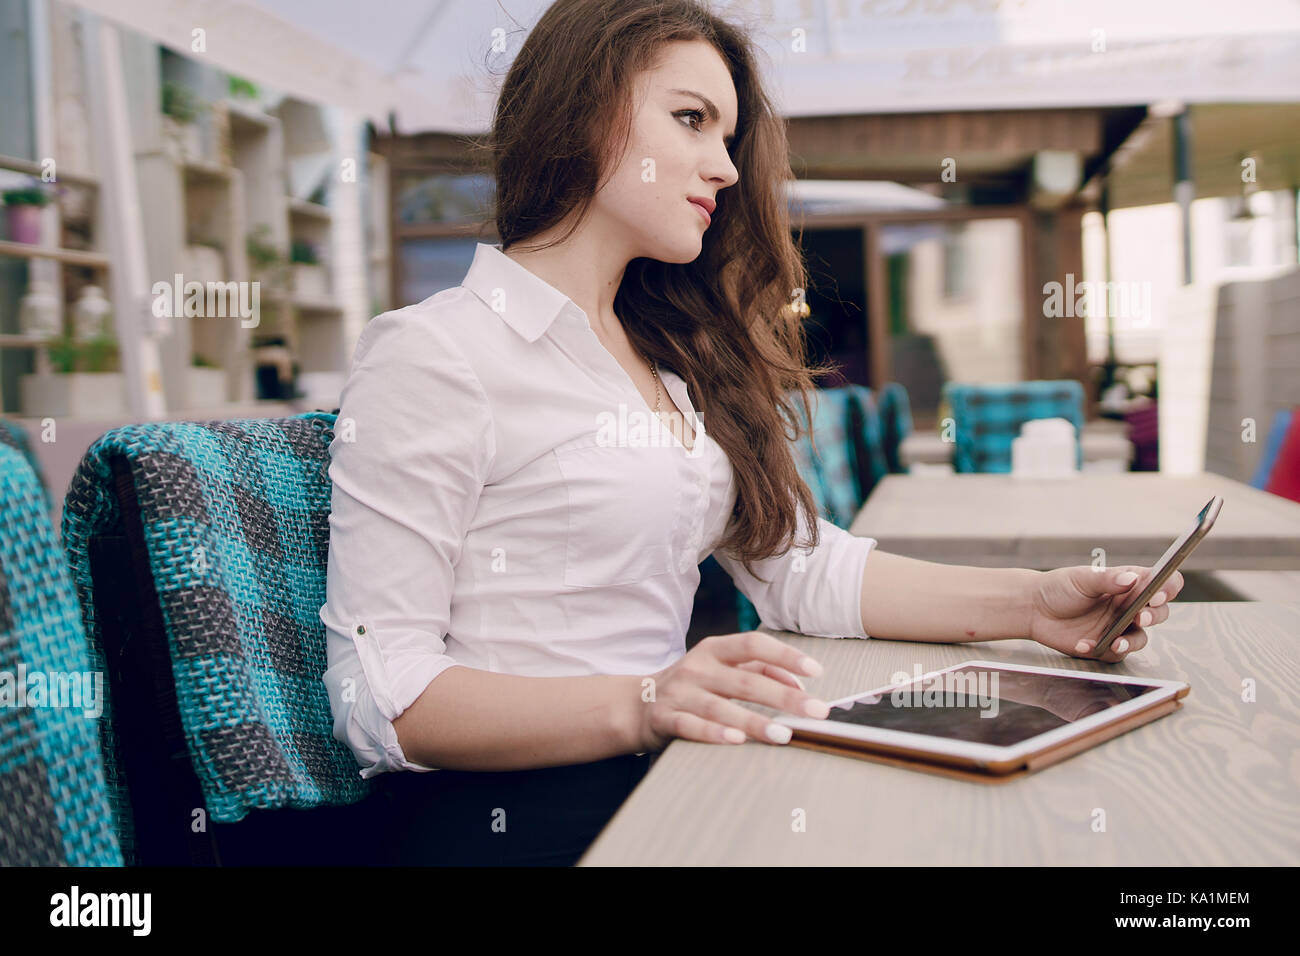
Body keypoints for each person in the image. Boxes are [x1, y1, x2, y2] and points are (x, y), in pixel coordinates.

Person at [320, 0, 1184, 866]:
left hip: (673, 771)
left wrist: (1030, 606)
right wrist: (645, 700)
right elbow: (380, 697)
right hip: (520, 815)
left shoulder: (663, 355)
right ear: (578, 110)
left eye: (727, 136)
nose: (726, 170)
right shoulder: (435, 354)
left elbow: (803, 567)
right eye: (692, 120)